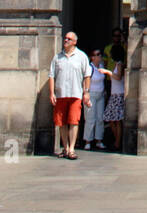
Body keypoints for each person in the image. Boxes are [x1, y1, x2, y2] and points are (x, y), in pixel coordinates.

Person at [48, 30, 91, 160]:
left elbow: (87, 75)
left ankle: (72, 148)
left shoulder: (82, 56)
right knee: (61, 123)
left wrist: (86, 92)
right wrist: (51, 93)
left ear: (74, 42)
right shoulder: (57, 57)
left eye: (69, 39)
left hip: (75, 93)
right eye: (65, 38)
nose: (65, 40)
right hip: (61, 94)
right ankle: (65, 148)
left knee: (73, 121)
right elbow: (51, 75)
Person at [99, 44, 126, 152]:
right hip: (115, 93)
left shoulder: (119, 64)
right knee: (112, 119)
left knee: (116, 119)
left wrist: (107, 72)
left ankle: (117, 142)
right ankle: (117, 141)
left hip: (118, 94)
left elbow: (118, 77)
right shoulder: (117, 64)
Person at [83, 48, 107, 151]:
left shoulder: (101, 67)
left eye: (100, 54)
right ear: (92, 57)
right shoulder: (89, 67)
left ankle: (99, 140)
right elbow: (85, 81)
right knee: (90, 118)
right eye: (97, 54)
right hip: (91, 94)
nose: (100, 56)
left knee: (100, 118)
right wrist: (86, 94)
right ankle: (88, 141)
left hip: (100, 94)